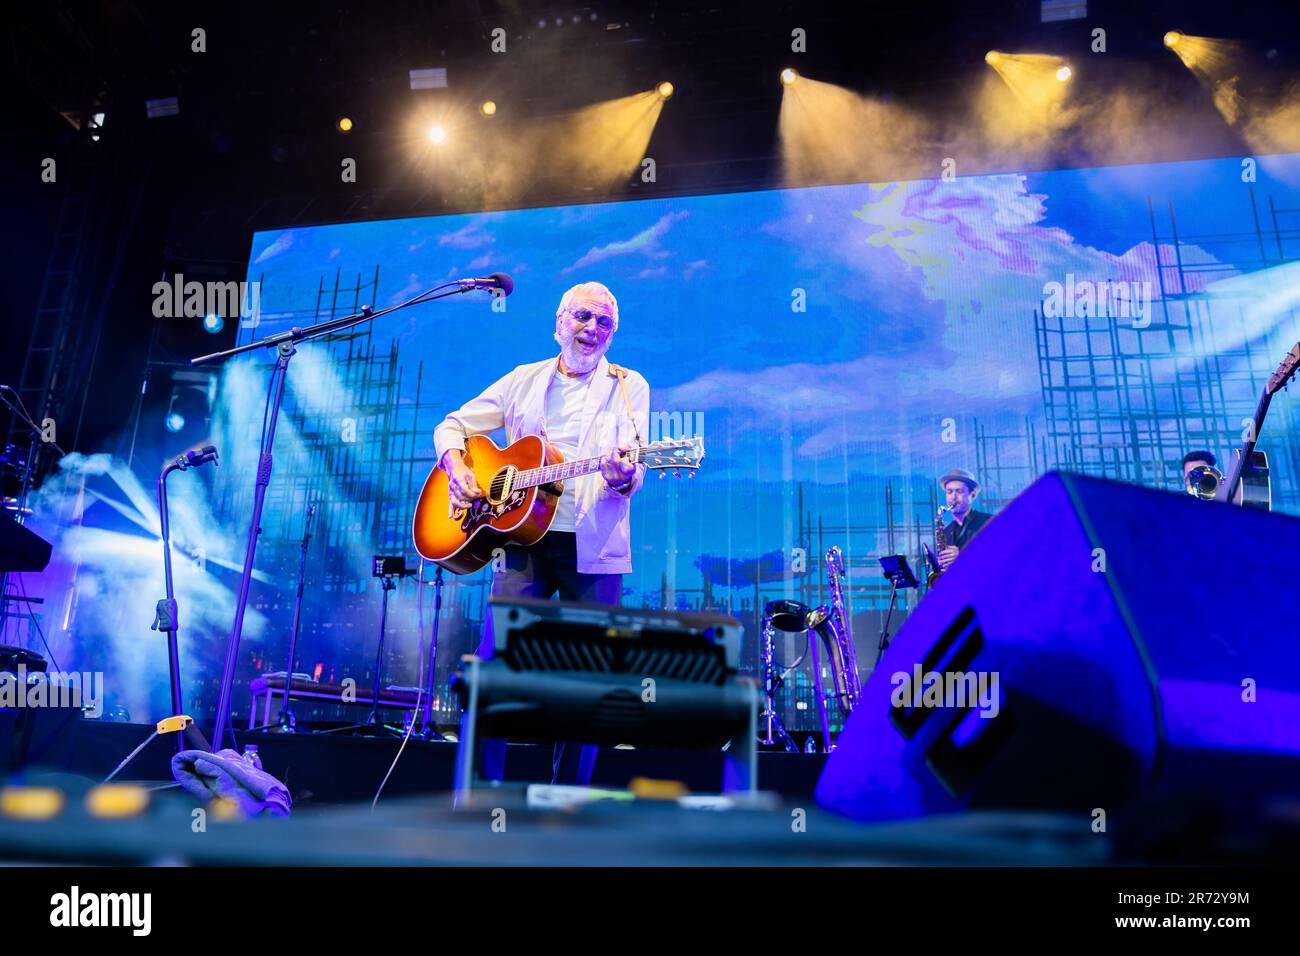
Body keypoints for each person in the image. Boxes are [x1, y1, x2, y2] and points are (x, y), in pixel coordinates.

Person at [433, 281, 649, 785]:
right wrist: (458, 466)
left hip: (592, 546)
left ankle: (566, 806)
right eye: (582, 317)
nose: (591, 329)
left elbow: (633, 459)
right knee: (496, 673)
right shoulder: (522, 379)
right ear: (558, 323)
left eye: (603, 323)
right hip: (521, 540)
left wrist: (626, 476)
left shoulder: (628, 384)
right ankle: (479, 801)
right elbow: (451, 425)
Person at [936, 468, 993, 571]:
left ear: (972, 495)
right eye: (949, 492)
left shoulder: (989, 522)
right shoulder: (947, 532)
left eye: (959, 491)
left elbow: (1003, 556)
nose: (953, 497)